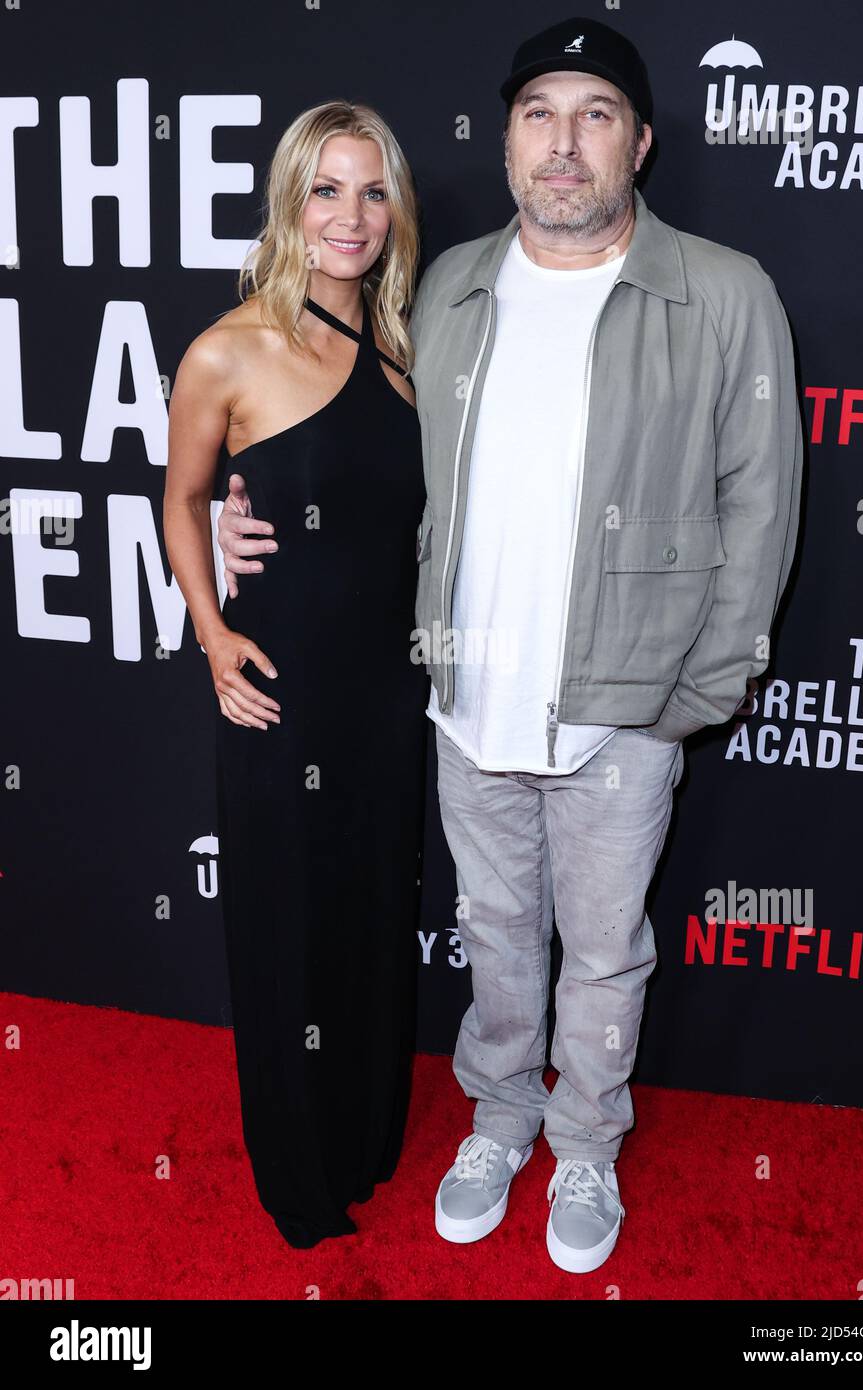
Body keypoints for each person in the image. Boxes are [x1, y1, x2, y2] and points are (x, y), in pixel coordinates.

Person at [217, 17, 803, 1274]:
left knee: (603, 953)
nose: (564, 141)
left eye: (595, 113)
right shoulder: (448, 288)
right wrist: (239, 496)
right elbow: (359, 446)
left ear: (638, 141)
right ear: (508, 139)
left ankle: (586, 1141)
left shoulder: (723, 292)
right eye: (541, 112)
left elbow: (761, 500)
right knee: (494, 938)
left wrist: (694, 692)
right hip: (465, 696)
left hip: (622, 704)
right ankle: (500, 1117)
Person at [163, 101, 429, 1249]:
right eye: (327, 189)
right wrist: (214, 632)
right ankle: (302, 1175)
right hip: (278, 696)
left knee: (372, 921)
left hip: (389, 699)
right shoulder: (230, 349)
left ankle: (369, 1135)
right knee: (286, 933)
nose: (350, 216)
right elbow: (180, 499)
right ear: (290, 201)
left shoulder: (416, 350)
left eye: (373, 191)